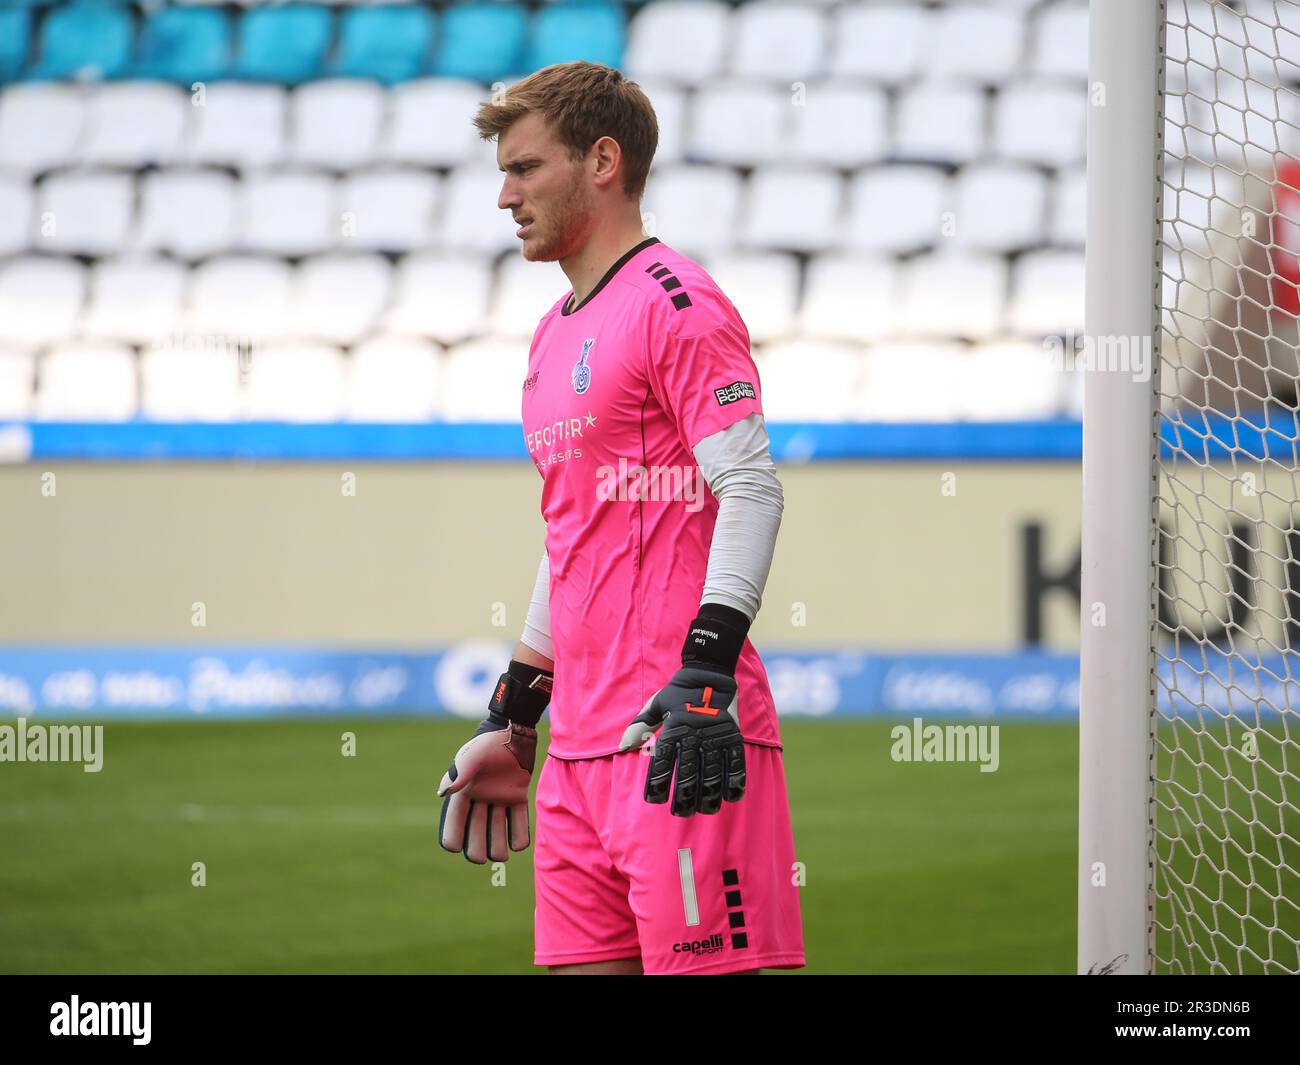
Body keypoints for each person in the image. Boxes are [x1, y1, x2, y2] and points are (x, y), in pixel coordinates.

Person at [437, 61, 804, 976]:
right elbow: (573, 535)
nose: (504, 195)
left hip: (683, 732)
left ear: (602, 161)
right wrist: (515, 715)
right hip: (574, 758)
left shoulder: (678, 302)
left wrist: (706, 673)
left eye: (523, 168)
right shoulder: (551, 330)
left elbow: (752, 488)